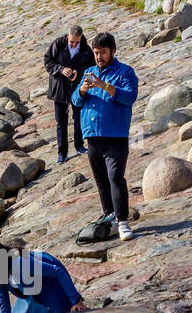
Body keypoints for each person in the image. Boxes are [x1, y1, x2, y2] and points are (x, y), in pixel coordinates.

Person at [71, 32, 140, 241]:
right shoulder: (89, 72)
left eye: (103, 53)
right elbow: (75, 101)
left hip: (115, 136)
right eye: (96, 53)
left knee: (115, 177)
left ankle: (123, 221)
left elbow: (130, 97)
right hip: (92, 137)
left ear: (113, 51)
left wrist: (104, 86)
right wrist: (82, 90)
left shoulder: (125, 72)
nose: (99, 57)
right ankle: (109, 216)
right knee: (101, 181)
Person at [45, 25, 96, 164]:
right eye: (72, 41)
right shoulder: (57, 44)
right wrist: (60, 69)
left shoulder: (86, 49)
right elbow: (47, 61)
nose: (74, 44)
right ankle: (62, 153)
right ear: (68, 36)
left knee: (79, 118)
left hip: (77, 89)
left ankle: (79, 146)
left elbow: (92, 68)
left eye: (76, 42)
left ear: (80, 39)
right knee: (61, 122)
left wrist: (78, 72)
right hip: (59, 88)